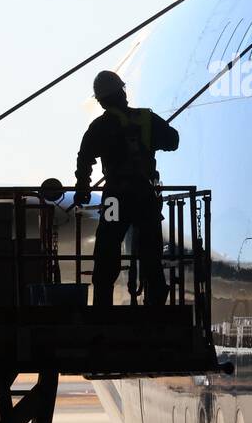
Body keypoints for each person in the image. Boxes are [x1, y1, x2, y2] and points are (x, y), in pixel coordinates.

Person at [75, 71, 178, 306]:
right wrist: (150, 138)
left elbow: (84, 160)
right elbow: (173, 141)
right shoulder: (146, 120)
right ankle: (156, 303)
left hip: (115, 199)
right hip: (145, 197)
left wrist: (83, 189)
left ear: (101, 101)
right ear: (122, 92)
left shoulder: (99, 127)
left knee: (107, 247)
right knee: (151, 251)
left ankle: (103, 305)